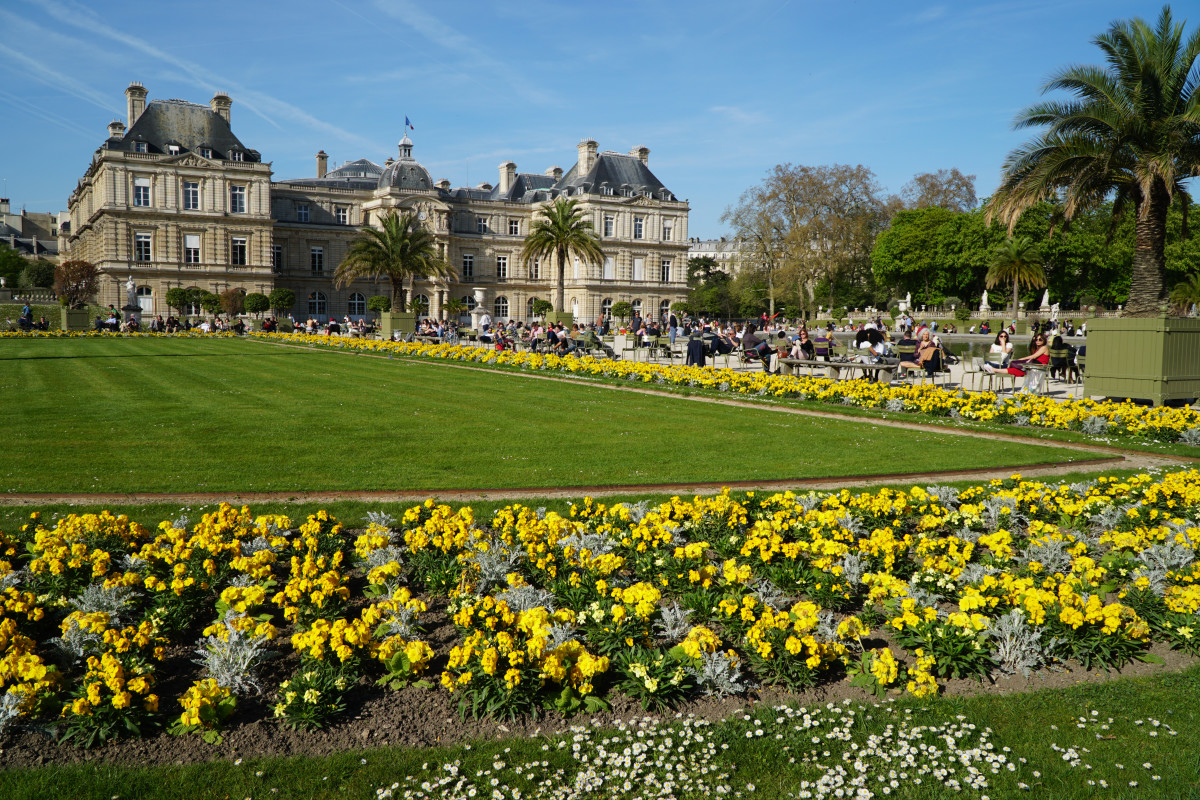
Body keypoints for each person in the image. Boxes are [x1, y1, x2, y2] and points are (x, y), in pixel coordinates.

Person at [985, 332, 1050, 393]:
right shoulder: (1038, 348)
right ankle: (995, 370)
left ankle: (993, 368)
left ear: (1044, 340)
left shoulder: (1044, 347)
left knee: (1015, 365)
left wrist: (1021, 359)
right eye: (1036, 339)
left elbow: (1033, 356)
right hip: (1032, 367)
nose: (1037, 341)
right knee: (1014, 370)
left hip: (1039, 368)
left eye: (1040, 339)